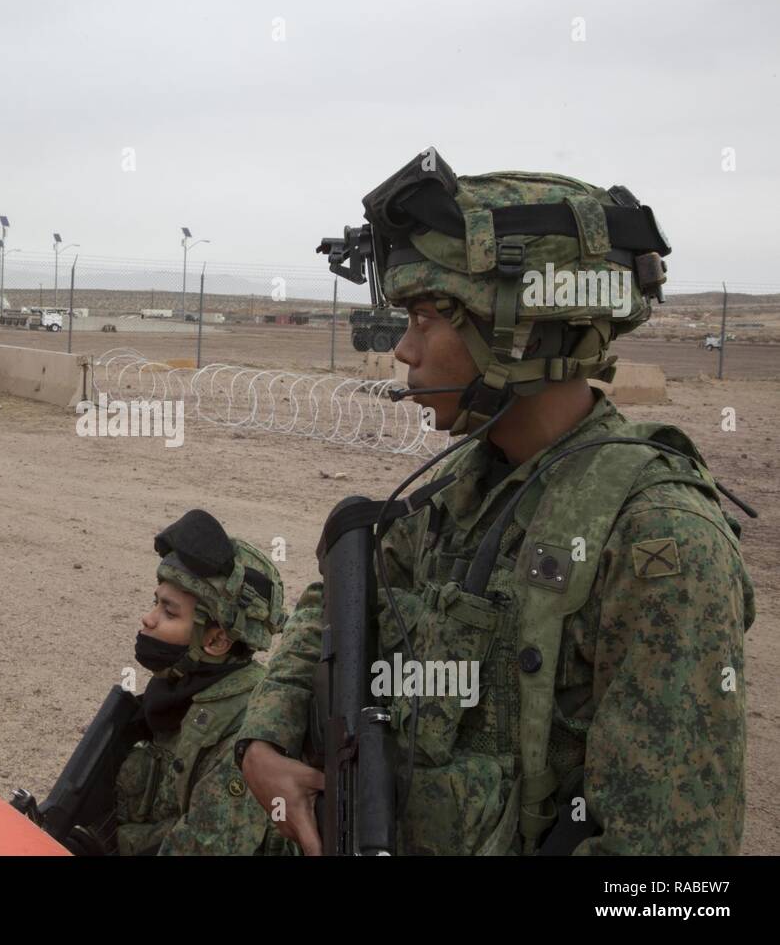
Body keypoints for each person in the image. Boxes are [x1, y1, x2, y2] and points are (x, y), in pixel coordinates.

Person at [238, 148, 755, 855]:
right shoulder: (455, 498)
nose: (403, 351)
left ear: (517, 330)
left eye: (426, 319)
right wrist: (263, 741)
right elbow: (331, 608)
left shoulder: (658, 540)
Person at [112, 509, 298, 855]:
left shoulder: (245, 729)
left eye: (169, 612)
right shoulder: (176, 694)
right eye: (155, 602)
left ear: (215, 641)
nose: (148, 619)